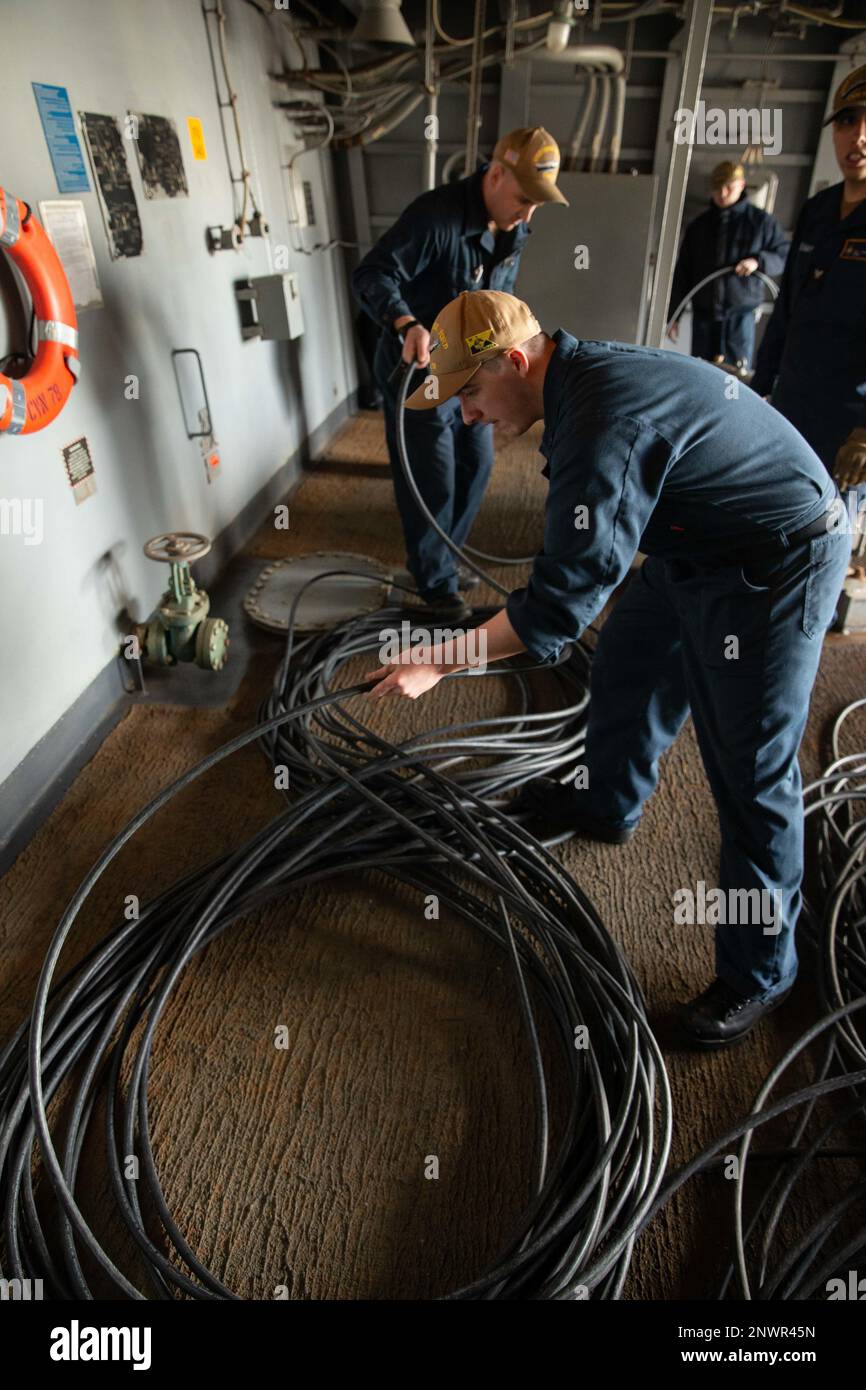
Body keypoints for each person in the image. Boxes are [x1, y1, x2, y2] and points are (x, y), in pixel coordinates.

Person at [365, 288, 849, 1049]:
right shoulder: (576, 376)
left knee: (752, 768)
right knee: (626, 669)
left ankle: (761, 972)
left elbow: (558, 612)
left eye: (469, 395)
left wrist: (439, 662)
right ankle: (609, 804)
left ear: (515, 361)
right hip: (700, 543)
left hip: (777, 561)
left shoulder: (601, 422)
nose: (466, 417)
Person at [352, 127, 567, 620]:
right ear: (495, 175)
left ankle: (447, 559)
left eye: (538, 204)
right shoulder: (435, 218)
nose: (528, 213)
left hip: (474, 377)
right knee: (434, 478)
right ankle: (434, 584)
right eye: (523, 199)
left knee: (478, 467)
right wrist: (406, 322)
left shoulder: (514, 226)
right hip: (422, 371)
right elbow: (373, 273)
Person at [751, 64, 866, 503]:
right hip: (794, 399)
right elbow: (787, 310)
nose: (857, 136)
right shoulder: (818, 210)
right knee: (777, 506)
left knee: (828, 527)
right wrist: (760, 384)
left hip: (848, 422)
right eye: (847, 120)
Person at [668, 160, 789, 370]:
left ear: (741, 185)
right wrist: (673, 316)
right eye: (717, 188)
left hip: (740, 318)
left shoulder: (761, 222)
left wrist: (758, 261)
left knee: (737, 377)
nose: (723, 194)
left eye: (728, 188)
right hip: (705, 318)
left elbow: (783, 255)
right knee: (702, 373)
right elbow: (683, 273)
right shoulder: (699, 227)